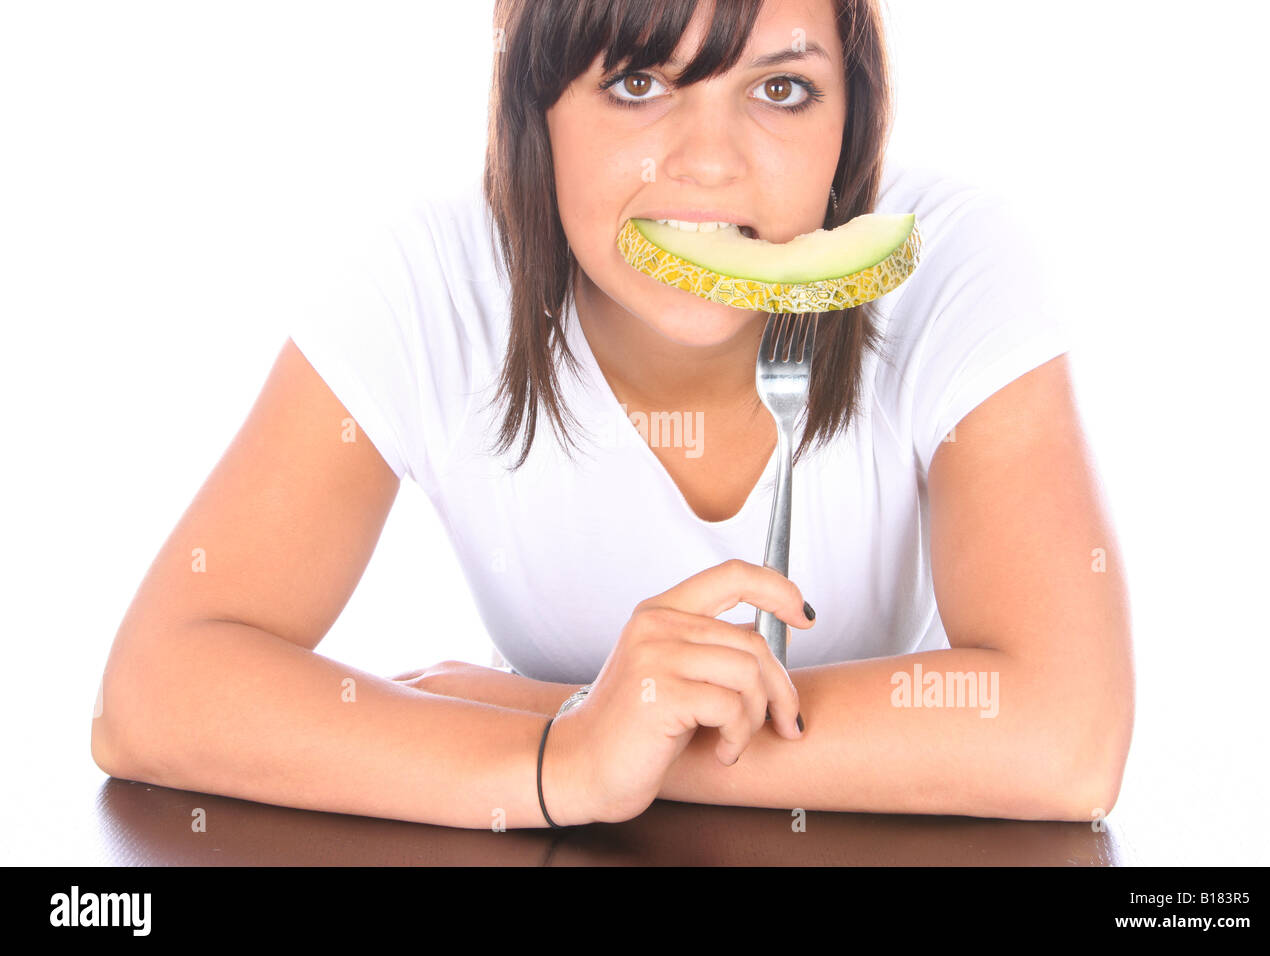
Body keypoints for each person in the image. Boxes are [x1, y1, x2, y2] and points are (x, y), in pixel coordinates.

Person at [91, 0, 1134, 830]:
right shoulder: (434, 282)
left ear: (851, 118)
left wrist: (559, 726)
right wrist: (563, 761)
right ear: (531, 107)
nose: (710, 162)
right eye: (637, 81)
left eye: (782, 87)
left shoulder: (950, 266)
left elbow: (1062, 737)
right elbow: (153, 695)